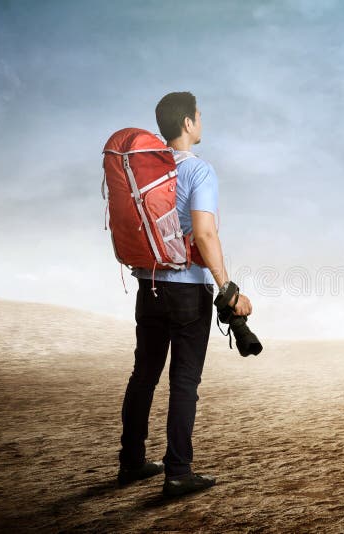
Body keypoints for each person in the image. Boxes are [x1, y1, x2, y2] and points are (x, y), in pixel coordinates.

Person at [116, 91, 253, 497]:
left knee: (144, 375)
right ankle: (178, 472)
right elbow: (205, 232)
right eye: (199, 116)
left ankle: (132, 462)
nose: (201, 121)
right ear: (189, 124)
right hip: (188, 291)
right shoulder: (199, 171)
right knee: (184, 381)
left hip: (149, 285)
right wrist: (227, 286)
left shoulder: (145, 173)